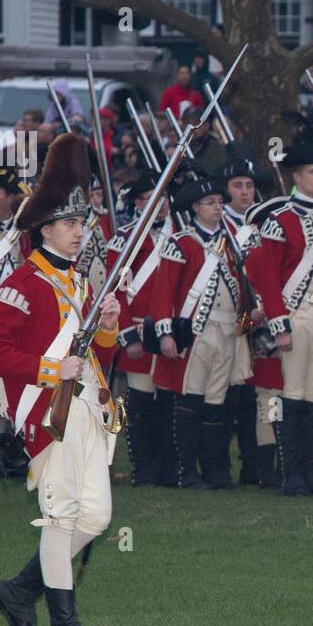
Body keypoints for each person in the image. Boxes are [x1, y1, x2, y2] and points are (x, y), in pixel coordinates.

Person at [0, 133, 122, 626]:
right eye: (68, 223)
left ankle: (18, 593)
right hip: (46, 415)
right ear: (43, 229)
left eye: (82, 223)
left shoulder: (81, 284)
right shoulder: (25, 281)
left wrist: (106, 326)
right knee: (62, 517)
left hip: (85, 409)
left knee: (95, 519)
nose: (79, 232)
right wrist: (48, 368)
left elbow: (95, 354)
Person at [247, 141, 313, 497]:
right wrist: (279, 323)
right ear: (297, 176)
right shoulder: (280, 220)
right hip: (295, 314)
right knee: (292, 395)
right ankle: (291, 475)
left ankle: (310, 472)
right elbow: (270, 277)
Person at [150, 175, 249, 489]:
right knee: (189, 402)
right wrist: (165, 333)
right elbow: (164, 290)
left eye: (220, 202)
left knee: (216, 404)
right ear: (195, 208)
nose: (218, 208)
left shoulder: (231, 242)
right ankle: (185, 471)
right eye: (211, 203)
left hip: (227, 331)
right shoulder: (182, 243)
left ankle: (215, 470)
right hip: (196, 332)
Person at [107, 171, 176, 487]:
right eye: (150, 199)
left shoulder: (178, 236)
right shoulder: (124, 239)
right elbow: (115, 293)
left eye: (161, 199)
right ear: (137, 203)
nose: (158, 206)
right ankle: (144, 468)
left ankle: (166, 467)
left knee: (167, 405)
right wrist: (128, 336)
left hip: (170, 331)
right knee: (141, 404)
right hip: (137, 329)